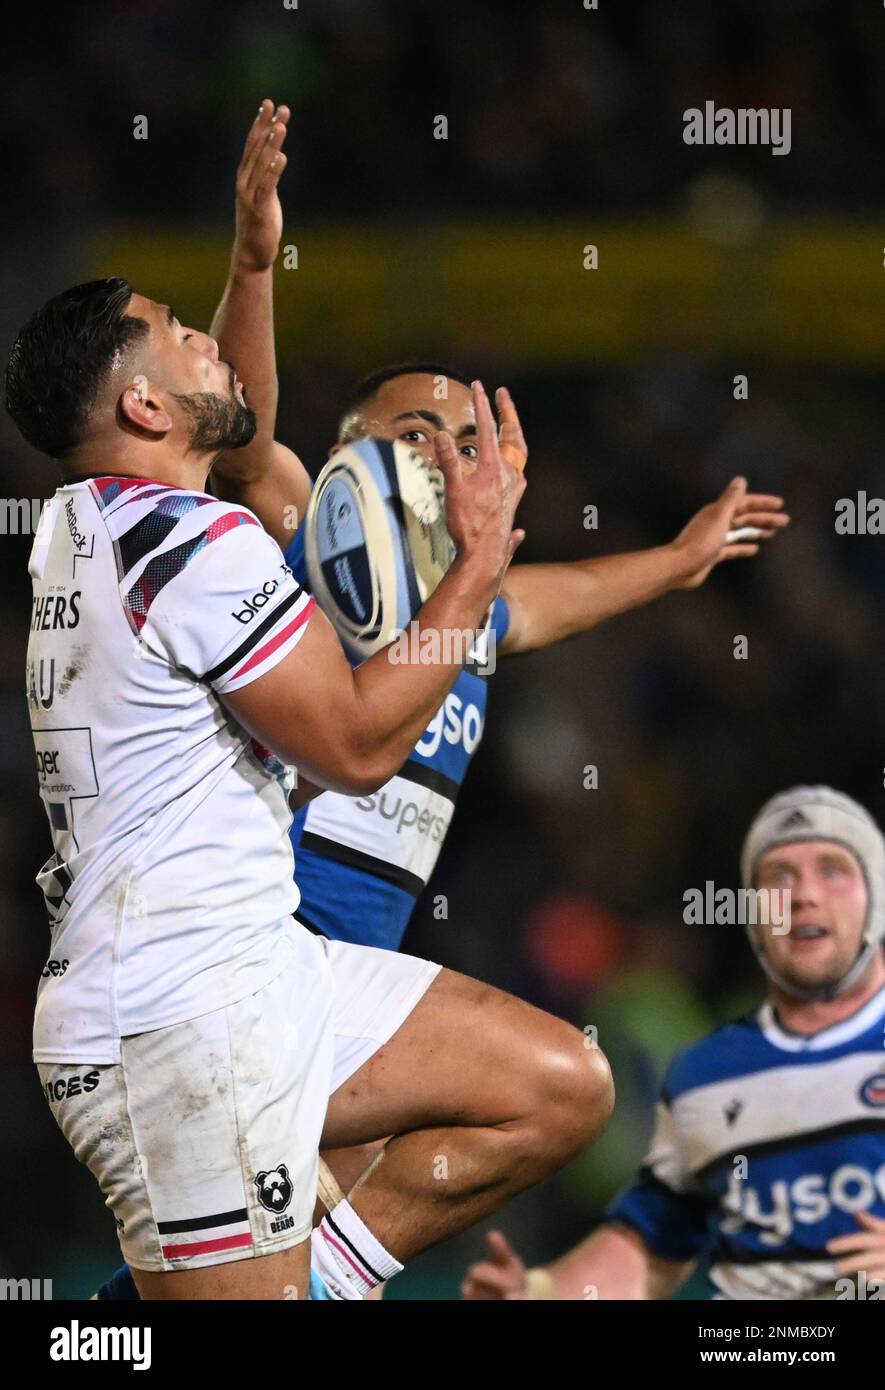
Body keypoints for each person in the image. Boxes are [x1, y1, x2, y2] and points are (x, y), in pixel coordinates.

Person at [9, 260, 623, 1300]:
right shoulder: (185, 542)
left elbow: (241, 438)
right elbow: (355, 748)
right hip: (177, 1017)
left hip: (260, 972)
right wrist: (476, 561)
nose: (205, 337)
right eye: (176, 330)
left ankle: (324, 1282)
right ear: (143, 402)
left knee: (556, 1085)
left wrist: (256, 263)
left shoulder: (93, 524)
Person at [463, 787, 885, 1301]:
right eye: (778, 877)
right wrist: (538, 1291)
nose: (803, 895)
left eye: (833, 870)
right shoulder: (706, 1074)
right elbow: (644, 1253)